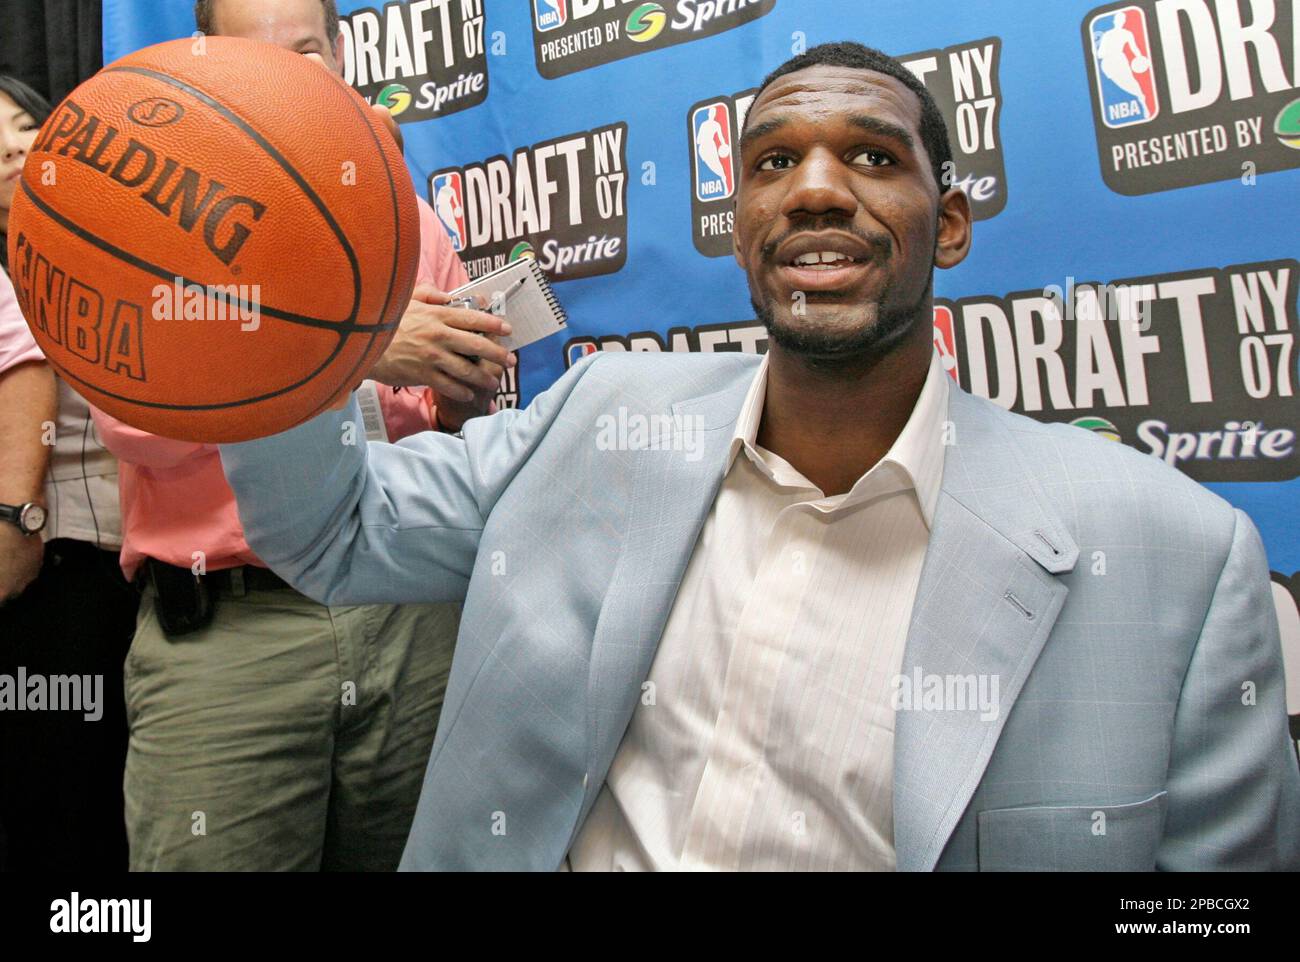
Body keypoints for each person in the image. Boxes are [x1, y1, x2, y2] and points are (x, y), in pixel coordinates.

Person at [219, 42, 1300, 871]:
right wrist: (287, 280)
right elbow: (334, 530)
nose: (815, 189)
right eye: (773, 161)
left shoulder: (1173, 557)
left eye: (873, 157)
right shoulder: (599, 418)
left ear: (950, 224)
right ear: (739, 225)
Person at [89, 0, 514, 871]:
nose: (291, 77)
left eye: (308, 50)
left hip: (409, 614)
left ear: (343, 57)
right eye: (257, 56)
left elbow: (437, 434)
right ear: (208, 68)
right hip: (235, 641)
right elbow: (134, 420)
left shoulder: (403, 218)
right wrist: (355, 351)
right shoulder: (144, 223)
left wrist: (463, 398)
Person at [0, 76, 140, 871]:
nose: (11, 148)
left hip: (99, 569)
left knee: (95, 804)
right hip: (30, 585)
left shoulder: (120, 256)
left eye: (25, 124)